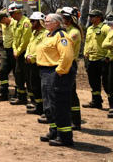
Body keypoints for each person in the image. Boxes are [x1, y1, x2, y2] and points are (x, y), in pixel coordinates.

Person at [37, 13, 74, 147]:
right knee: (48, 106)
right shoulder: (48, 35)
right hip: (45, 72)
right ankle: (54, 131)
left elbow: (67, 56)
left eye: (47, 21)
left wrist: (59, 72)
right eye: (45, 21)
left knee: (59, 106)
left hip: (56, 73)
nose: (45, 23)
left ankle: (64, 137)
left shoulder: (62, 36)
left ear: (56, 23)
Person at [59, 7, 83, 129]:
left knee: (71, 94)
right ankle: (69, 118)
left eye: (66, 18)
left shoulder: (74, 32)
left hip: (70, 63)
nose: (64, 20)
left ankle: (76, 121)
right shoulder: (67, 30)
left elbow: (64, 44)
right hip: (64, 63)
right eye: (63, 18)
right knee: (65, 93)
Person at [82, 9, 110, 109]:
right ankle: (96, 101)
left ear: (99, 17)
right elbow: (87, 42)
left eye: (93, 16)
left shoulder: (106, 28)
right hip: (91, 59)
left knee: (107, 82)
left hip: (102, 59)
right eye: (90, 16)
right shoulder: (89, 29)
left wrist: (108, 56)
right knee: (93, 82)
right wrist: (85, 52)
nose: (91, 18)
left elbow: (111, 43)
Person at [24, 12, 47, 117]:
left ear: (39, 22)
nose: (31, 23)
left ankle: (44, 109)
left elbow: (43, 49)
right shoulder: (34, 33)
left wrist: (32, 57)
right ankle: (38, 107)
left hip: (39, 64)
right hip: (31, 63)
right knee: (34, 86)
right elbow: (29, 46)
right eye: (30, 21)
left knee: (41, 87)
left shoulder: (45, 34)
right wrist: (26, 55)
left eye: (33, 21)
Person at [10, 3, 31, 105]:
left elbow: (25, 40)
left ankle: (33, 99)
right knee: (18, 75)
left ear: (17, 12)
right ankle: (21, 97)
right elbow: (14, 38)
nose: (11, 16)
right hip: (18, 53)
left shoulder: (26, 23)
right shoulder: (15, 23)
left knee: (28, 76)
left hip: (25, 53)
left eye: (12, 13)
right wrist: (14, 50)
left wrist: (18, 51)